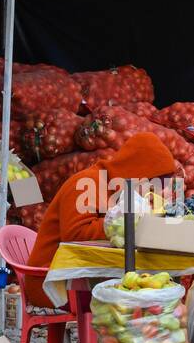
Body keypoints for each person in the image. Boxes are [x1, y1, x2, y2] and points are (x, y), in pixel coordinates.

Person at [24, 132, 177, 308]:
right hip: (51, 281)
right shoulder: (85, 183)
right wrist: (121, 224)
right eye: (154, 182)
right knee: (135, 303)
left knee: (147, 294)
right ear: (138, 172)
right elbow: (75, 234)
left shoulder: (119, 191)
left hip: (83, 275)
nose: (155, 190)